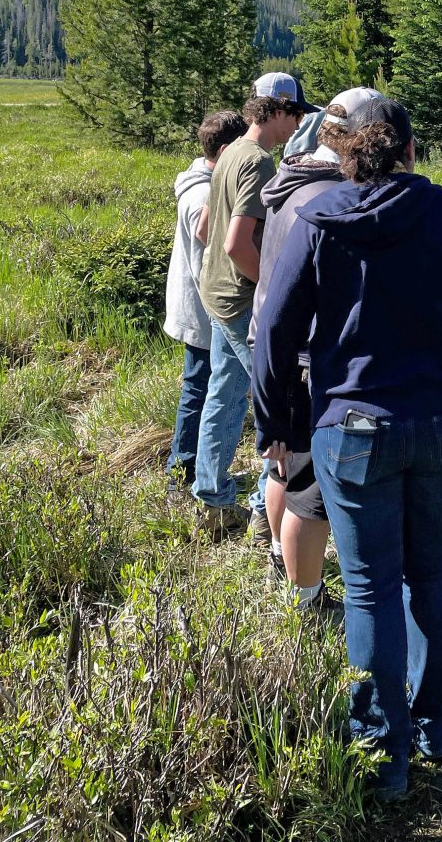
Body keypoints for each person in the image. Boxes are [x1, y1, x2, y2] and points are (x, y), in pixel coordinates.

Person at [252, 94, 442, 800]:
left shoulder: (318, 219)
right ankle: (436, 729)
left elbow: (274, 329)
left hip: (352, 427)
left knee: (369, 586)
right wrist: (431, 333)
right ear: (412, 150)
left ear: (345, 156)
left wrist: (274, 422)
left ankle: (382, 754)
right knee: (432, 572)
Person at [249, 87, 385, 610]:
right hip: (305, 356)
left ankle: (281, 562)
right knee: (311, 495)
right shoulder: (329, 199)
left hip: (275, 346)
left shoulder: (292, 180)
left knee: (283, 465)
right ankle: (305, 599)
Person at [192, 73, 307, 539]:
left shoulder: (230, 152)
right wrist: (273, 290)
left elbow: (204, 230)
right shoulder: (258, 161)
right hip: (240, 300)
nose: (297, 124)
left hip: (215, 293)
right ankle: (265, 509)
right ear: (277, 110)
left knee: (224, 393)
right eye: (295, 114)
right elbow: (236, 243)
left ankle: (212, 498)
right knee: (276, 400)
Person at [162, 109, 247, 496]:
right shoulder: (202, 194)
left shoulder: (203, 182)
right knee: (199, 390)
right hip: (202, 310)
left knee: (203, 388)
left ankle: (194, 470)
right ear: (227, 150)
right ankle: (181, 474)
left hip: (201, 307)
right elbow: (206, 240)